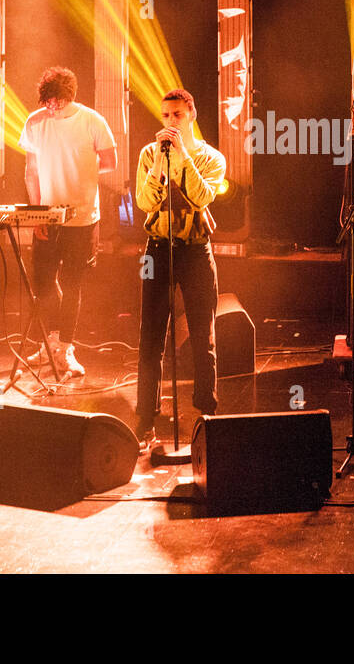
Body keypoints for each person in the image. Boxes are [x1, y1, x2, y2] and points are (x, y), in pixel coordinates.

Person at [133, 89, 226, 446]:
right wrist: (159, 163)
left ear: (192, 115)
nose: (171, 123)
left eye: (177, 116)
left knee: (204, 334)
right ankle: (145, 417)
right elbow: (145, 202)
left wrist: (183, 156)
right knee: (150, 336)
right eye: (166, 117)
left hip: (196, 249)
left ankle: (207, 413)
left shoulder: (211, 158)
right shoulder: (148, 154)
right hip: (156, 249)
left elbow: (203, 196)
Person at [19, 67, 117, 379]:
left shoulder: (92, 121)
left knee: (73, 282)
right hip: (48, 215)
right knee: (45, 281)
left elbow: (110, 161)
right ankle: (51, 342)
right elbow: (30, 170)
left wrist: (81, 172)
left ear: (69, 97)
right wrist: (37, 213)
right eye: (47, 101)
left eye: (57, 102)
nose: (52, 107)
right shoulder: (35, 122)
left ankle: (66, 347)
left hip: (83, 216)